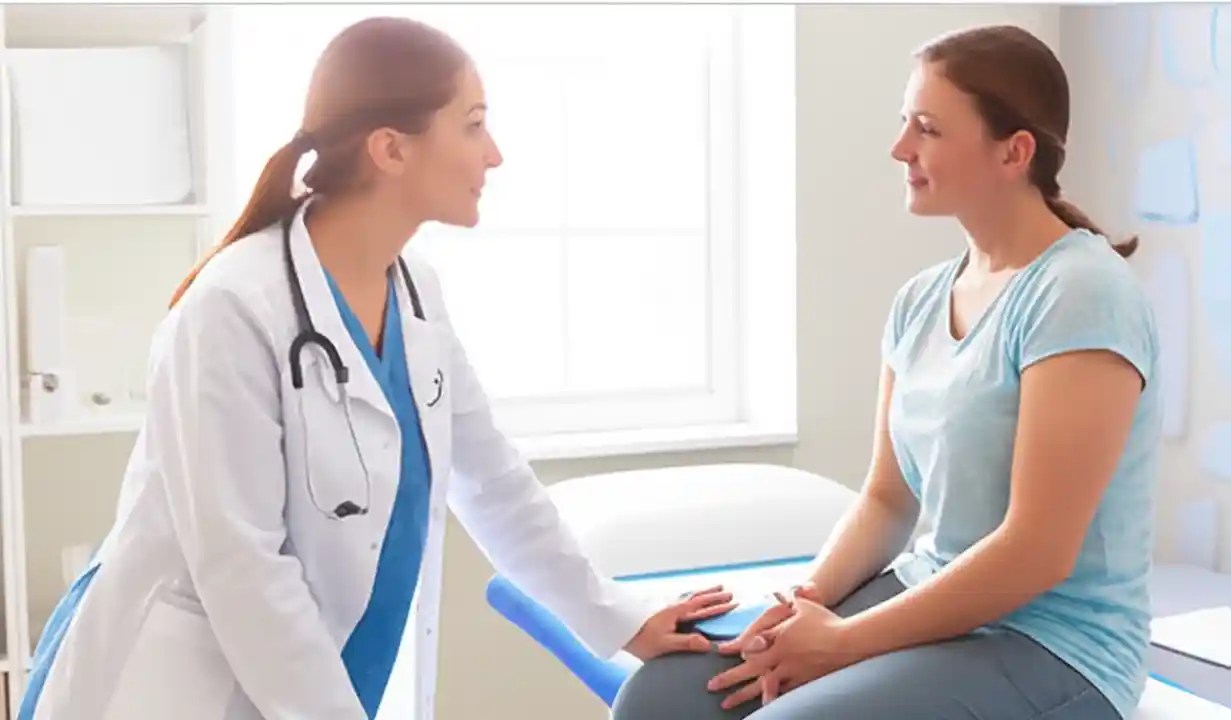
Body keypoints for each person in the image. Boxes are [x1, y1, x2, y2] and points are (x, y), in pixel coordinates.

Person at [19, 16, 736, 720]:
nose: (495, 155)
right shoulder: (231, 310)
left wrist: (618, 618)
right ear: (391, 149)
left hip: (313, 685)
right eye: (473, 124)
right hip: (175, 691)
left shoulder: (414, 290)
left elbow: (491, 481)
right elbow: (244, 569)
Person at [611, 24, 1160, 720]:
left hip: (1051, 643)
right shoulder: (921, 301)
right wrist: (803, 606)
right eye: (906, 122)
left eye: (927, 128)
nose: (900, 148)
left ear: (1013, 152)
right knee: (659, 700)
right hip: (928, 595)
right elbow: (886, 499)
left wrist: (843, 643)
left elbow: (1037, 551)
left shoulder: (1081, 294)